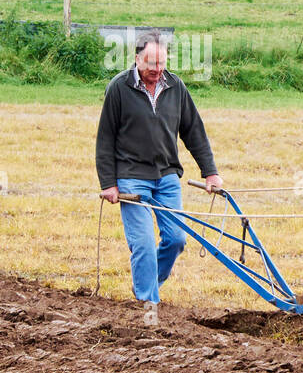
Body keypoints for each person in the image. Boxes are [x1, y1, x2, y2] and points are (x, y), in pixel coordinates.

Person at [95, 33, 223, 302]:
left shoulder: (176, 87)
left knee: (176, 239)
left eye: (161, 63)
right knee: (142, 244)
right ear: (136, 58)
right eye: (150, 63)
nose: (156, 69)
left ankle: (147, 282)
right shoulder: (118, 88)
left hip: (166, 176)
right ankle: (148, 304)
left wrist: (210, 172)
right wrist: (108, 182)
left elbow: (194, 132)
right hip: (131, 178)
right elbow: (105, 138)